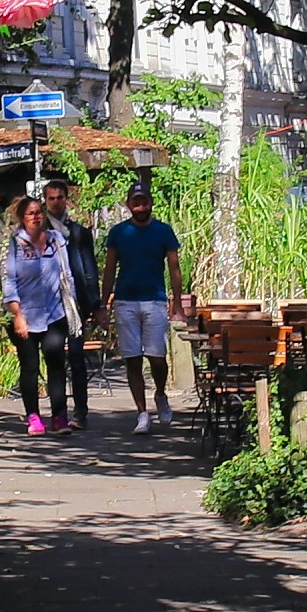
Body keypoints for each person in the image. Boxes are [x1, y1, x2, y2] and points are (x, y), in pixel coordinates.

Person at [100, 176, 188, 432]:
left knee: (157, 356)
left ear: (151, 203)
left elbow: (174, 268)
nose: (140, 207)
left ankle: (160, 393)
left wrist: (178, 304)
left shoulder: (163, 231)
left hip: (154, 300)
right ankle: (141, 412)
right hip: (126, 300)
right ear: (128, 205)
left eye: (144, 202)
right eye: (135, 203)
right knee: (133, 358)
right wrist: (104, 303)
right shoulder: (119, 233)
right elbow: (108, 270)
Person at [0, 191, 80, 436]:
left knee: (56, 362)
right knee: (30, 367)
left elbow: (67, 276)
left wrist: (73, 309)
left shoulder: (56, 241)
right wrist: (17, 314)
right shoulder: (16, 244)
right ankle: (33, 417)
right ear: (23, 218)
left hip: (54, 313)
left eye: (39, 212)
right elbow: (9, 282)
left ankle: (59, 416)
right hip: (27, 315)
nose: (36, 217)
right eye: (30, 214)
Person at [41, 178, 102, 433]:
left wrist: (96, 303)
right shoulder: (39, 232)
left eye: (60, 197)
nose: (56, 202)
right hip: (49, 306)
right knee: (54, 358)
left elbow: (90, 270)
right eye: (51, 198)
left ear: (67, 199)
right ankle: (58, 415)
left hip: (75, 305)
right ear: (46, 201)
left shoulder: (79, 233)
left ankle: (81, 412)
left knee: (77, 358)